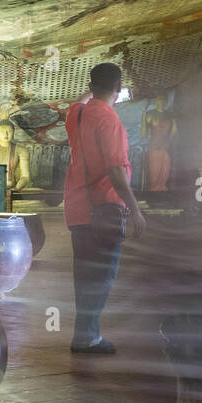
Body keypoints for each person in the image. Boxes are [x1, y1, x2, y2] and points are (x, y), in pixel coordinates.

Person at [64, 62, 146, 354]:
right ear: (119, 88)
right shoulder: (109, 120)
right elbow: (115, 169)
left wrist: (92, 91)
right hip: (104, 208)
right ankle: (88, 337)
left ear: (91, 85)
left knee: (84, 274)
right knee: (101, 275)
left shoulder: (77, 113)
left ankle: (83, 334)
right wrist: (135, 209)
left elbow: (82, 101)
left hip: (77, 208)